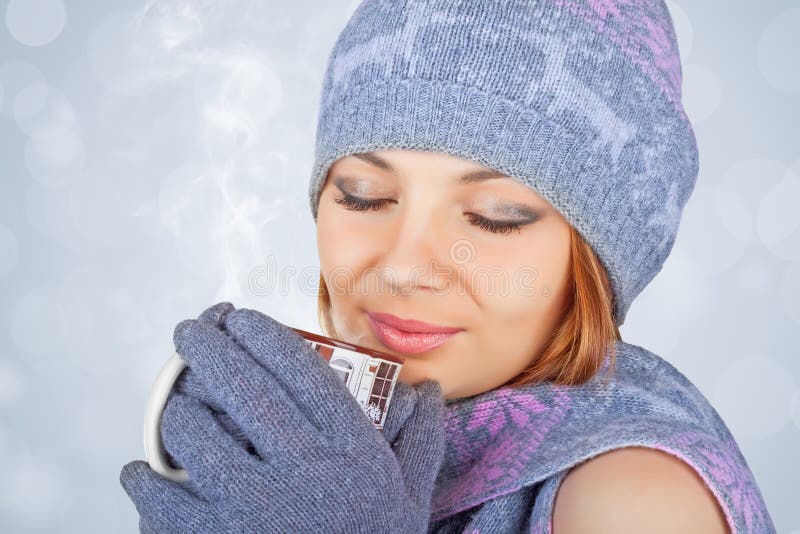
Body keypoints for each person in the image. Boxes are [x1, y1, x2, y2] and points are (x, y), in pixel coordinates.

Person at [120, 1, 777, 532]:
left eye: (495, 215)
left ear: (597, 258)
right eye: (363, 197)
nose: (405, 269)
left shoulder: (634, 502)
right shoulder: (327, 449)